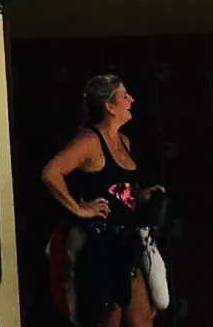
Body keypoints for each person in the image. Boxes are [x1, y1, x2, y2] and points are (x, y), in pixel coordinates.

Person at [39, 73, 160, 327]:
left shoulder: (123, 140)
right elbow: (51, 173)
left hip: (128, 239)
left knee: (142, 318)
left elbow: (119, 188)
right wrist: (80, 209)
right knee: (108, 317)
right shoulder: (90, 141)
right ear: (110, 106)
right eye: (124, 96)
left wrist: (142, 195)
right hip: (100, 242)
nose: (131, 100)